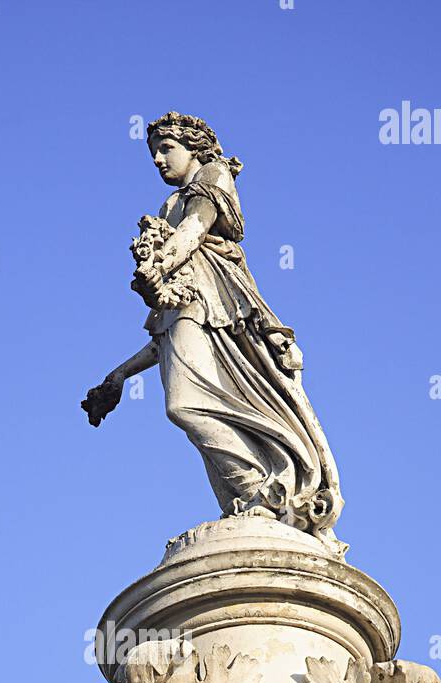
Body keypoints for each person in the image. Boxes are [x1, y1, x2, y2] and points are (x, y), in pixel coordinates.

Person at [82, 112, 344, 552]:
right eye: (153, 153)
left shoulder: (211, 176)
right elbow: (166, 335)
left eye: (166, 149)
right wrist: (119, 375)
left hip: (212, 306)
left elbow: (194, 227)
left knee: (185, 405)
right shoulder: (171, 213)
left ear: (194, 148)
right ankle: (250, 498)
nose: (158, 160)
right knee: (191, 410)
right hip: (192, 309)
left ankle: (265, 492)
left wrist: (159, 263)